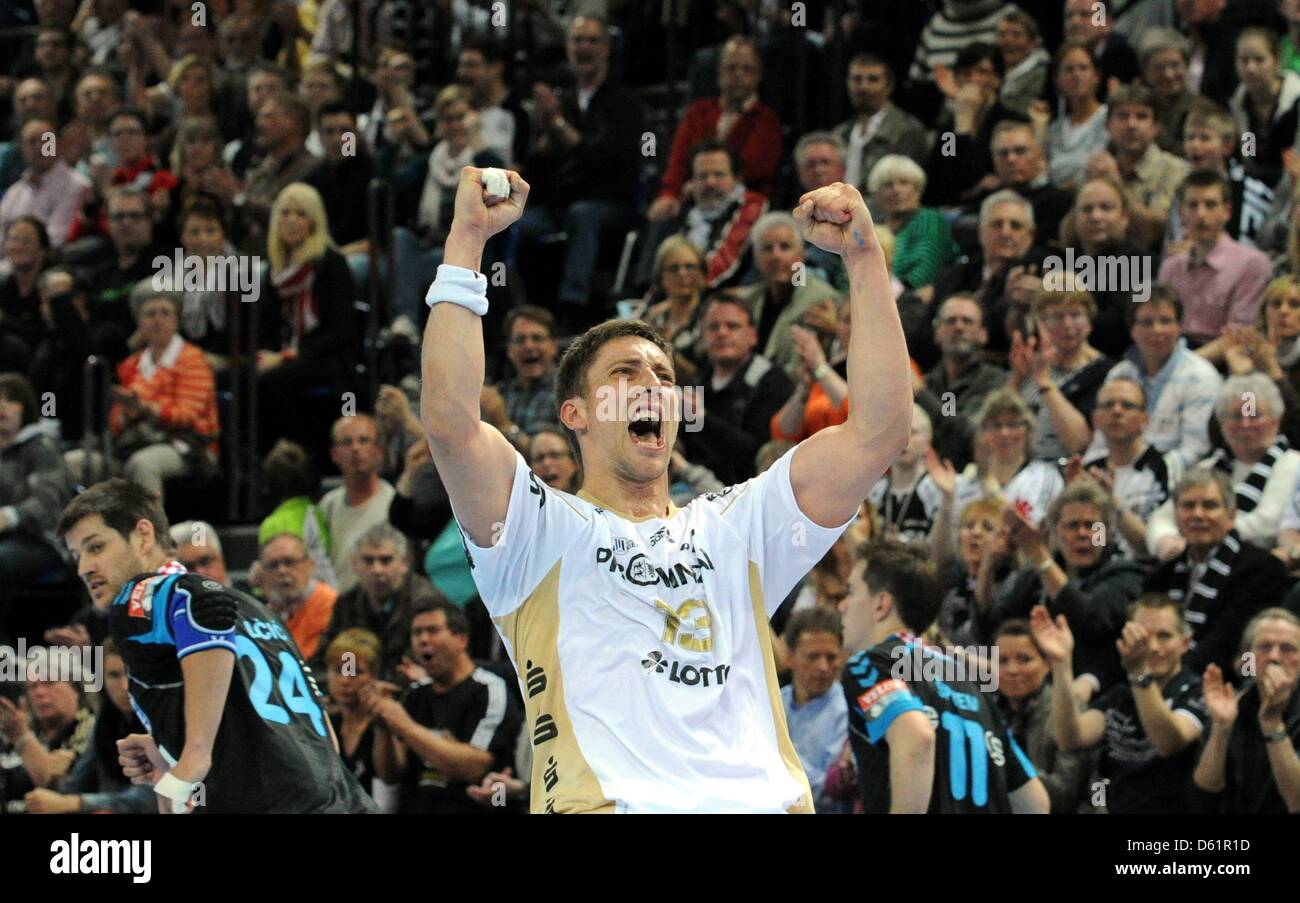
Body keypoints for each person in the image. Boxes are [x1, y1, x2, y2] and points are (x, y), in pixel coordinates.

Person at [420, 165, 912, 812]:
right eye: (626, 372)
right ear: (576, 414)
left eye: (662, 375)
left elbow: (877, 433)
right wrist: (466, 242)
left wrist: (865, 258)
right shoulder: (539, 529)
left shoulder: (737, 525)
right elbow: (452, 425)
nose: (652, 384)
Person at [59, 479, 377, 813]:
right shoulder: (256, 609)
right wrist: (171, 750)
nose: (84, 568)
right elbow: (325, 738)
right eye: (77, 555)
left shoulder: (141, 594)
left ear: (143, 535)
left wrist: (194, 756)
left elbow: (203, 605)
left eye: (96, 548)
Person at [838, 537, 1049, 813]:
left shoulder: (871, 663)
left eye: (851, 592)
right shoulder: (969, 683)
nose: (842, 605)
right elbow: (1036, 803)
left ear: (881, 604)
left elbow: (916, 737)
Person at [1033, 595, 1208, 813]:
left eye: (1164, 636)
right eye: (1142, 637)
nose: (1152, 647)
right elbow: (1070, 738)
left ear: (1184, 644)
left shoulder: (1199, 690)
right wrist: (1061, 663)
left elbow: (1168, 743)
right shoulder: (1122, 694)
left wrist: (1138, 673)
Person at [982, 480, 1147, 695]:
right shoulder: (1035, 576)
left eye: (1091, 526)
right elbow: (991, 628)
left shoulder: (1125, 573)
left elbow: (1091, 619)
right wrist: (987, 570)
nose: (1082, 534)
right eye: (1071, 526)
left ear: (1105, 533)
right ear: (1056, 532)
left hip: (1092, 693)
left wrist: (1040, 556)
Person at [365, 600, 522, 815]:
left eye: (432, 631)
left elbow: (475, 767)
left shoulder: (488, 690)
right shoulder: (414, 695)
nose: (423, 640)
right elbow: (391, 774)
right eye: (417, 633)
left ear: (461, 639)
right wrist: (382, 727)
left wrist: (405, 726)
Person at [1143, 470, 1291, 677]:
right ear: (1176, 517)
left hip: (1227, 682)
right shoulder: (1160, 576)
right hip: (1160, 680)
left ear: (1231, 516)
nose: (1198, 514)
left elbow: (1229, 643)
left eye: (1210, 506)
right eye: (1188, 506)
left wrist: (1175, 682)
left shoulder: (1262, 569)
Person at [256, 182, 357, 456]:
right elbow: (266, 325)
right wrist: (264, 353)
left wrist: (289, 355)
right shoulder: (275, 270)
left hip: (326, 358)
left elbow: (342, 328)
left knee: (269, 382)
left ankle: (297, 455)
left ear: (314, 221)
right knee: (241, 377)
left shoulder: (331, 263)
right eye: (285, 213)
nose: (290, 220)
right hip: (288, 356)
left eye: (300, 214)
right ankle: (255, 467)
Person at [1146, 374, 1300, 556]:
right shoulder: (1207, 468)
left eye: (1254, 415)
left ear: (1275, 420)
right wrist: (1167, 541)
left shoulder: (1293, 463)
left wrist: (1198, 537)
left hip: (1256, 567)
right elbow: (1162, 517)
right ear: (1221, 424)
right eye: (1236, 416)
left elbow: (1267, 524)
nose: (1245, 424)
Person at [1089, 284, 1223, 470]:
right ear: (1132, 329)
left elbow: (1196, 451)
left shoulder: (1201, 377)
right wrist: (1092, 470)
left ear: (1179, 327)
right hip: (1117, 475)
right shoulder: (1119, 374)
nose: (1156, 330)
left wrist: (1146, 476)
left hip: (1174, 481)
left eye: (1165, 321)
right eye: (1146, 322)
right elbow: (1100, 442)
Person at [648, 35, 782, 220]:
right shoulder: (698, 112)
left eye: (747, 69)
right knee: (662, 212)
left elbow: (753, 170)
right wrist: (669, 194)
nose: (739, 75)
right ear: (719, 73)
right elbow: (678, 160)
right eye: (731, 68)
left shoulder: (766, 120)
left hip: (744, 205)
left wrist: (700, 184)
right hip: (693, 200)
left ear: (758, 75)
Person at [19, 640, 153, 814]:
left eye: (130, 674)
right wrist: (58, 775)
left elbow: (152, 798)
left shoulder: (163, 721)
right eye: (113, 675)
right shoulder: (105, 723)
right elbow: (70, 788)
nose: (124, 686)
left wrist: (75, 803)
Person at [1193, 608, 1300, 813]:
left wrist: (1272, 724)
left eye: (1288, 648)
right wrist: (1221, 728)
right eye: (1264, 647)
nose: (1274, 657)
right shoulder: (1234, 702)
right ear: (1247, 660)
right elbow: (1204, 796)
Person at [1160, 170, 1272, 350]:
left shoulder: (1252, 264)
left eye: (1210, 205)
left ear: (1227, 211)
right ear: (1181, 212)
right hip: (1175, 354)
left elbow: (1238, 336)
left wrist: (1185, 365)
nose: (1201, 214)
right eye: (1193, 205)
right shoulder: (1171, 267)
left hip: (1223, 361)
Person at [687, 294, 793, 487]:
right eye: (713, 327)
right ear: (702, 336)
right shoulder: (697, 383)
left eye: (732, 326)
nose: (722, 333)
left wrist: (701, 418)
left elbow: (756, 455)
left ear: (753, 335)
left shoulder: (771, 381)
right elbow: (691, 448)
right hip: (693, 486)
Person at [992, 619, 1094, 813]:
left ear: (1046, 664)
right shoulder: (990, 710)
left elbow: (1064, 795)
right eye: (1002, 661)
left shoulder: (1069, 712)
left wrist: (1001, 760)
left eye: (1024, 659)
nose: (1012, 670)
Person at [319, 523, 446, 679]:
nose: (377, 570)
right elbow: (343, 653)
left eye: (385, 561)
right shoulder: (347, 603)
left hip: (412, 691)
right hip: (359, 693)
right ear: (355, 563)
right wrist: (349, 681)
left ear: (404, 563)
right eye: (368, 561)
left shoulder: (428, 604)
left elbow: (432, 664)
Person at [0, 371, 72, 636]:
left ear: (26, 408)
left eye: (11, 400)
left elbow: (48, 504)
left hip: (42, 541)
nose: (2, 406)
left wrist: (8, 517)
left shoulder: (41, 448)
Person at [1009, 285, 1113, 461]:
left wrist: (1044, 383)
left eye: (1075, 315)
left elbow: (1080, 444)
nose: (1068, 324)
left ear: (1089, 323)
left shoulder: (1105, 372)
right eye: (1057, 317)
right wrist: (1017, 376)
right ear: (1040, 324)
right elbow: (996, 424)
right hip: (1022, 466)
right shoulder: (1032, 363)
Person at [1080, 377, 1182, 555]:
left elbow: (1153, 546)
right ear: (1095, 419)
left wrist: (1112, 504)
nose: (1116, 411)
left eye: (1127, 405)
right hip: (1102, 573)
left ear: (1145, 419)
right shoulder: (1090, 471)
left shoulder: (1164, 466)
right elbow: (1095, 545)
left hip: (1146, 571)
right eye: (1108, 405)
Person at [1082, 85, 1190, 251]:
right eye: (1123, 116)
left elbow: (1154, 231)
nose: (1131, 124)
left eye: (1141, 116)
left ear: (1155, 127)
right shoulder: (1098, 166)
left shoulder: (1175, 169)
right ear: (1108, 125)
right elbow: (1071, 235)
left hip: (1152, 264)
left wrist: (1115, 183)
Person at [915, 294, 1009, 468]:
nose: (958, 327)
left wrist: (922, 395)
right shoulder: (929, 383)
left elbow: (967, 434)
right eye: (951, 321)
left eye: (967, 321)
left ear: (983, 334)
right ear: (937, 332)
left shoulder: (997, 382)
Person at [780, 607, 848, 813]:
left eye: (831, 657)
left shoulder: (848, 711)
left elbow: (829, 790)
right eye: (812, 656)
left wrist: (780, 755)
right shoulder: (773, 703)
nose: (823, 667)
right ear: (789, 658)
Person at [318, 415, 395, 596]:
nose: (355, 448)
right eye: (347, 442)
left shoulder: (394, 503)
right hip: (338, 609)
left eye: (364, 440)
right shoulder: (327, 505)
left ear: (379, 451)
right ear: (334, 455)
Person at [834, 53, 931, 193]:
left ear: (889, 85)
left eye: (873, 79)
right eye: (857, 79)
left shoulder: (908, 130)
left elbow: (905, 183)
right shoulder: (840, 133)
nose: (863, 87)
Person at [866, 155, 955, 294]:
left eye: (904, 183)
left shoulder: (929, 219)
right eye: (888, 184)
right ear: (876, 193)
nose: (896, 190)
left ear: (917, 190)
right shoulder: (872, 227)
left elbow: (923, 273)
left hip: (909, 301)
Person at [0, 115, 91, 249]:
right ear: (22, 149)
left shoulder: (76, 185)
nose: (39, 147)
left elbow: (56, 239)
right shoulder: (15, 191)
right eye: (31, 142)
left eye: (46, 141)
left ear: (59, 145)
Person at [867, 404, 945, 544]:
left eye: (913, 433)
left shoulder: (939, 490)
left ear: (928, 441)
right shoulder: (872, 491)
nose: (905, 441)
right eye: (896, 433)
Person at [256, 533, 339, 663]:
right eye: (273, 565)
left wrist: (348, 676)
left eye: (290, 562)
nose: (282, 571)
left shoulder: (334, 605)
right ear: (262, 574)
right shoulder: (260, 616)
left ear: (310, 565)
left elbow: (349, 655)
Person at [323, 628, 383, 802]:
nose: (345, 680)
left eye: (355, 671)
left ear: (374, 675)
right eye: (338, 670)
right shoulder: (324, 724)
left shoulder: (382, 726)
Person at [1045, 41, 1108, 190]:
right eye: (1069, 69)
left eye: (1083, 68)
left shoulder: (1109, 118)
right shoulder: (1054, 128)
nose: (1076, 75)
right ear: (1057, 80)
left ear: (1096, 76)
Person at [495, 307, 559, 441]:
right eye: (520, 340)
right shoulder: (498, 395)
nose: (529, 346)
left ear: (553, 346)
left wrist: (504, 425)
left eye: (537, 338)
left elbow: (553, 458)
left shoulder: (569, 393)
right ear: (509, 350)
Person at [1140, 28, 1197, 155]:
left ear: (1186, 67)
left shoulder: (1202, 110)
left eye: (1175, 65)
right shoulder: (1138, 109)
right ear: (1146, 73)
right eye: (1159, 67)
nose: (1168, 74)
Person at [170, 520, 231, 588]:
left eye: (205, 562)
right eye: (188, 567)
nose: (200, 572)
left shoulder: (244, 596)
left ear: (222, 559)